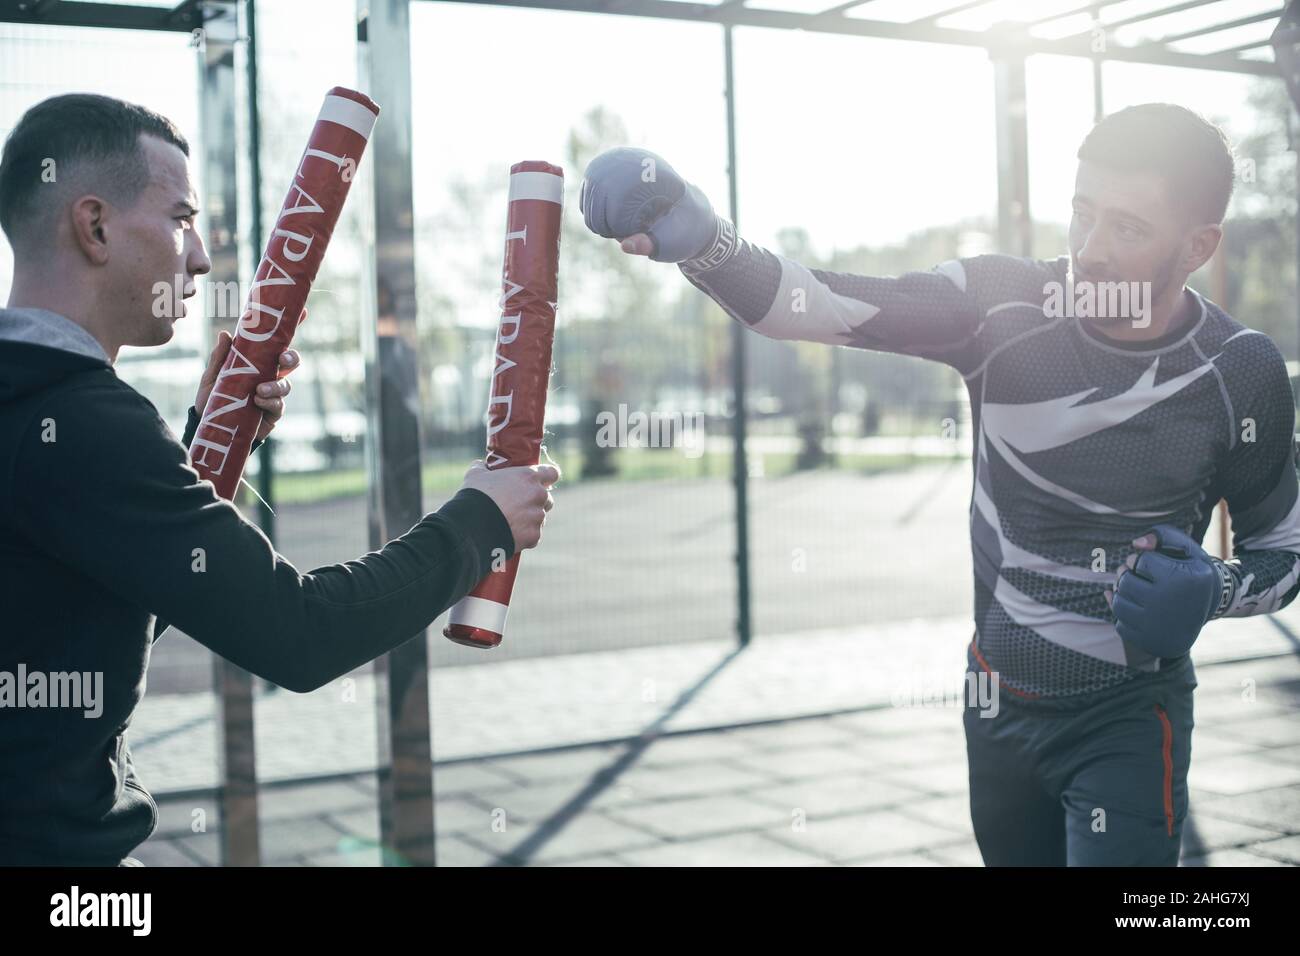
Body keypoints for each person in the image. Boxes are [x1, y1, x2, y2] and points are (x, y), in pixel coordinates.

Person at [579, 103, 1300, 866]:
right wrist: (705, 240)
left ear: (1198, 245)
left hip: (1126, 717)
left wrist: (1214, 591)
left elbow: (1283, 554)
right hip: (993, 706)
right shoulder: (998, 304)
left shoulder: (1239, 369)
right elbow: (815, 302)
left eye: (1128, 228)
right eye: (1082, 214)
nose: (1089, 250)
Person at [0, 93, 558, 866]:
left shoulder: (34, 401)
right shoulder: (86, 423)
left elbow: (87, 612)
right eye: (179, 219)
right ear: (94, 226)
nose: (197, 256)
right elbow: (300, 633)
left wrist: (203, 450)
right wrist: (480, 522)